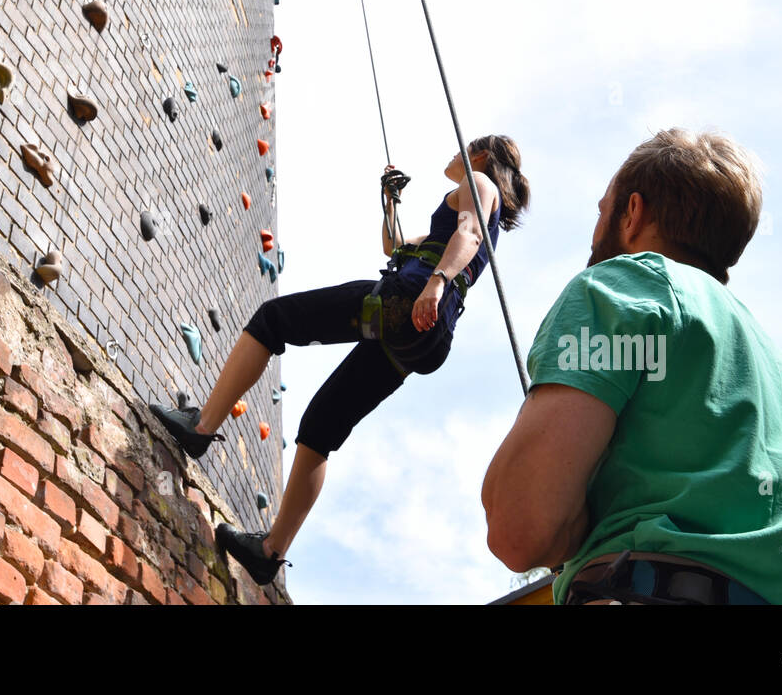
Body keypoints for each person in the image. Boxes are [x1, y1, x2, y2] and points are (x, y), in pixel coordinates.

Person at [481, 129, 782, 604]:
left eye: (602, 211)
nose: (594, 235)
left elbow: (522, 526)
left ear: (632, 213)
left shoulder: (622, 288)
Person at [153, 135, 530, 585]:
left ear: (481, 157)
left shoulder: (479, 182)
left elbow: (466, 235)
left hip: (407, 303)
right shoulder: (463, 213)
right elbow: (394, 247)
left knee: (274, 320)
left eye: (464, 149)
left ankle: (201, 428)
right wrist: (389, 201)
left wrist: (436, 283)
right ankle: (269, 552)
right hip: (423, 341)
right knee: (321, 426)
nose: (455, 155)